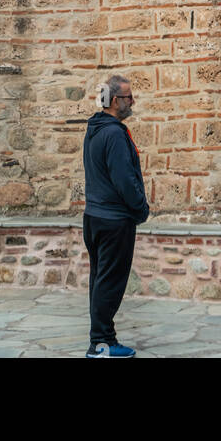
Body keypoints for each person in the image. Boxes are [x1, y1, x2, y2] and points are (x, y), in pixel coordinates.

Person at [82, 74, 149, 358]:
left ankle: (101, 340)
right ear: (112, 100)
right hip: (113, 220)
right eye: (127, 97)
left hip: (94, 217)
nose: (132, 101)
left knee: (100, 280)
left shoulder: (95, 129)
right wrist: (140, 209)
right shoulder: (113, 134)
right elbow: (124, 180)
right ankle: (101, 344)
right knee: (110, 282)